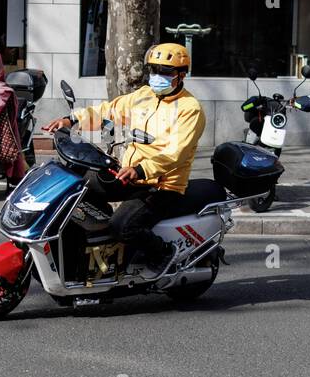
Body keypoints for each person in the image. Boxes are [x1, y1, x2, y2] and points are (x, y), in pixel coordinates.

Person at [43, 42, 205, 275]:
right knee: (77, 190)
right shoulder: (144, 95)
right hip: (129, 173)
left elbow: (175, 153)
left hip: (161, 186)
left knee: (123, 226)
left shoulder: (190, 109)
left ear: (181, 75)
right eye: (154, 70)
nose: (157, 76)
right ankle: (92, 252)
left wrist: (141, 170)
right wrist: (71, 120)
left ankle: (163, 253)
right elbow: (108, 110)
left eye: (165, 72)